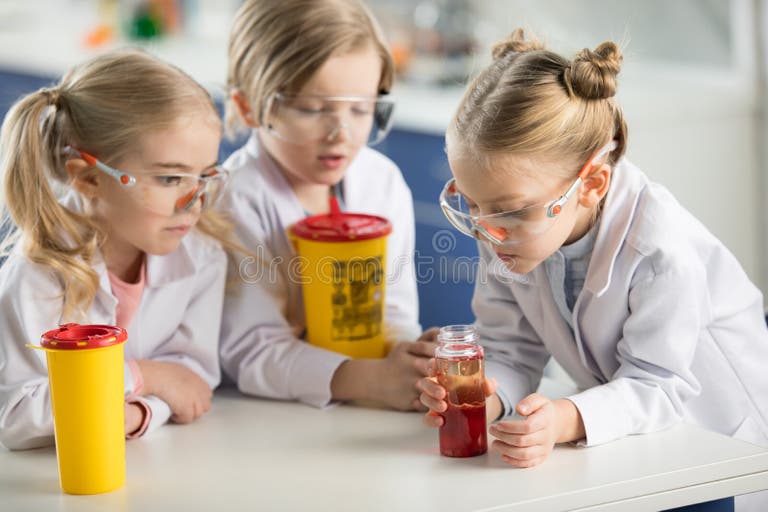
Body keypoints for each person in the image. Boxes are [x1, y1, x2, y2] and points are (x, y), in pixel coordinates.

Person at [418, 29, 767, 511]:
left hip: (726, 442)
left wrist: (566, 418)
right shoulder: (505, 228)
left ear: (592, 184)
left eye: (508, 211)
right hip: (642, 444)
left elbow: (659, 386)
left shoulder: (660, 250)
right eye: (471, 206)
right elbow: (510, 350)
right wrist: (481, 397)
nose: (485, 231)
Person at [0, 49, 231, 449]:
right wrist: (142, 377)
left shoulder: (202, 256)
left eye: (205, 175)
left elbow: (193, 380)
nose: (195, 200)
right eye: (170, 178)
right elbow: (17, 415)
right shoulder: (37, 275)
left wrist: (139, 413)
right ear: (89, 179)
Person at [220, 0, 436, 410]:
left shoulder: (381, 182)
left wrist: (410, 357)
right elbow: (252, 349)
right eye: (313, 110)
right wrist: (370, 380)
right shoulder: (238, 197)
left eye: (361, 109)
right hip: (265, 417)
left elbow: (392, 311)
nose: (342, 133)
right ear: (249, 106)